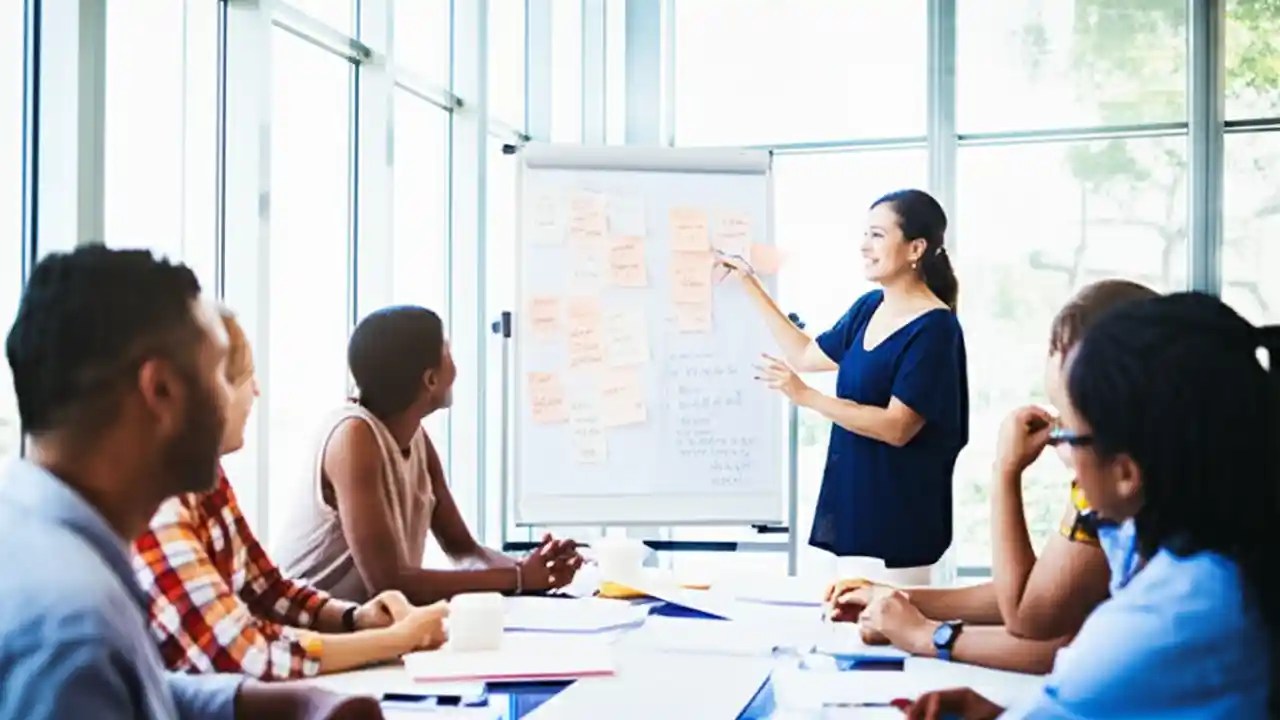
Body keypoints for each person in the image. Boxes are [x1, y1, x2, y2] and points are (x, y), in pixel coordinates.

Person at [0, 246, 382, 719]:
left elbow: (133, 682)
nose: (238, 393)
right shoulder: (73, 630)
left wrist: (271, 703)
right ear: (160, 390)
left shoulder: (38, 536)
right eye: (219, 371)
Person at [902, 292, 1277, 719]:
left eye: (1069, 433)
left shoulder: (1172, 609)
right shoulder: (1229, 560)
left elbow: (1035, 621)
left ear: (1125, 473)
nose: (1062, 453)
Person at [827, 280, 1158, 673]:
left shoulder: (1114, 494)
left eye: (1070, 424)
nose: (1057, 437)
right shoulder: (1116, 494)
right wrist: (898, 599)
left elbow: (1031, 619)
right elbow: (1036, 593)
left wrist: (1005, 471)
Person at [132, 307, 448, 681]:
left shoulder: (205, 479)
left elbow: (267, 590)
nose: (256, 390)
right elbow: (245, 655)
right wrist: (396, 639)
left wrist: (356, 618)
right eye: (243, 378)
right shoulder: (156, 504)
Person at [720, 188, 967, 585]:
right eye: (865, 234)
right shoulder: (868, 307)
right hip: (855, 516)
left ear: (915, 248)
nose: (864, 246)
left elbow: (897, 427)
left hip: (900, 530)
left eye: (877, 235)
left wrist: (808, 397)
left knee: (885, 621)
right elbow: (805, 355)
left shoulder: (935, 329)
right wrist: (750, 284)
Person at [276, 305, 582, 604]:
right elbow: (390, 584)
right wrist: (518, 577)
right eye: (447, 354)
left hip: (368, 627)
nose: (456, 369)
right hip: (304, 627)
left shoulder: (414, 435)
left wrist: (536, 567)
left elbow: (465, 551)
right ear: (431, 380)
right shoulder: (353, 437)